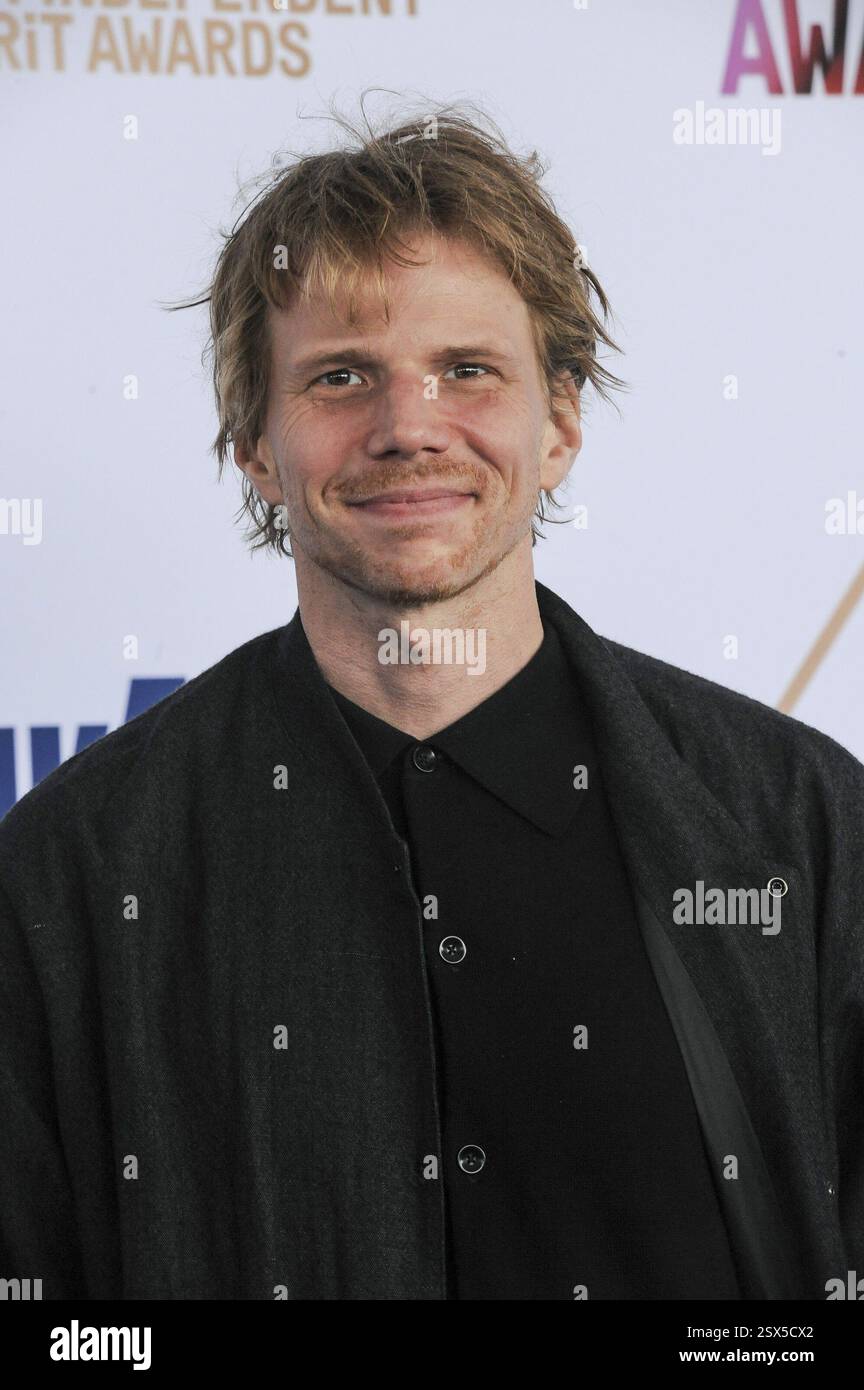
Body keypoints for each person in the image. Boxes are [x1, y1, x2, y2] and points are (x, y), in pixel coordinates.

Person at [1, 104, 862, 1301]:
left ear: (558, 421)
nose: (409, 428)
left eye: (467, 370)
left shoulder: (800, 826)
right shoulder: (77, 872)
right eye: (341, 377)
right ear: (255, 442)